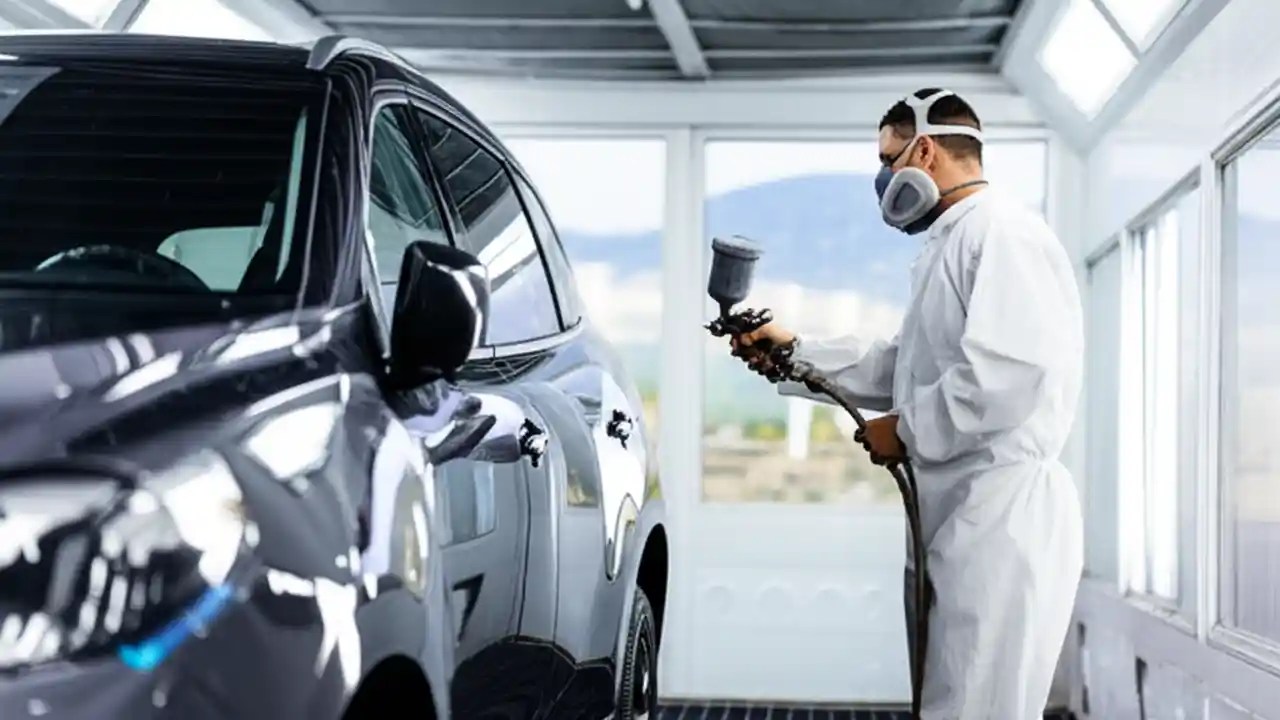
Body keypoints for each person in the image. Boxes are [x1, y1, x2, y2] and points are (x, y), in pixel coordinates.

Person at [731, 88, 1084, 720]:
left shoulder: (1001, 233)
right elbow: (907, 365)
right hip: (962, 506)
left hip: (1001, 515)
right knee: (951, 696)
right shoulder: (955, 241)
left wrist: (911, 430)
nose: (883, 178)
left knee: (977, 706)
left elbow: (1010, 372)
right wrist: (797, 354)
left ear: (924, 150)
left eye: (888, 159)